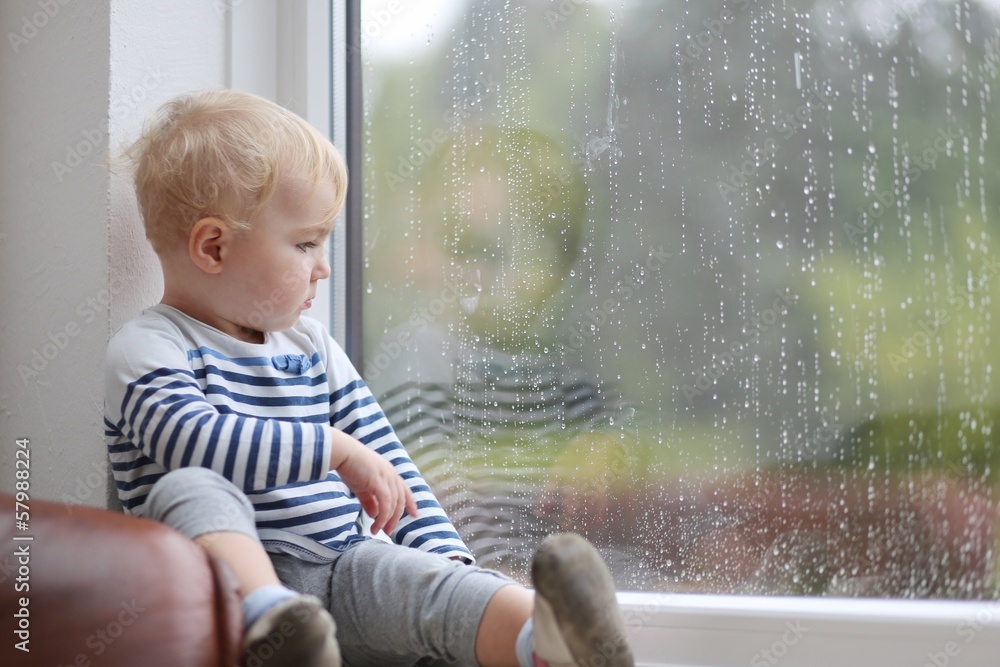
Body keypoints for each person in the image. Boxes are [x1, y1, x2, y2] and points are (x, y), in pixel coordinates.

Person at [104, 89, 634, 667]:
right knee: (188, 490)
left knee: (433, 589)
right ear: (214, 246)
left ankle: (546, 642)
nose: (323, 267)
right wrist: (332, 449)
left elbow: (389, 462)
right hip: (221, 595)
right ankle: (270, 625)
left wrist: (448, 562)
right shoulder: (150, 348)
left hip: (345, 568)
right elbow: (194, 442)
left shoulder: (311, 347)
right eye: (305, 243)